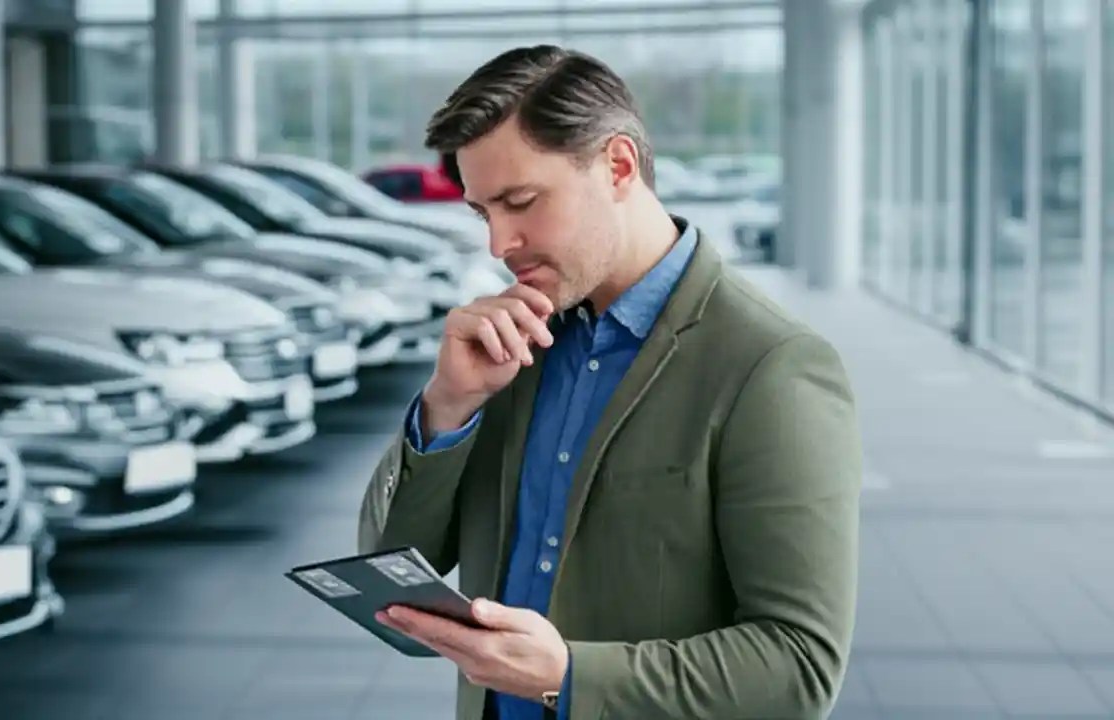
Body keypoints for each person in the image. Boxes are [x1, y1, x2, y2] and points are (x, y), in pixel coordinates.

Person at [358, 44, 862, 720]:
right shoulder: (515, 343)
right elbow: (388, 568)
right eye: (483, 213)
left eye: (520, 202)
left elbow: (799, 667)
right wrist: (448, 405)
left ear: (618, 165)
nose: (499, 244)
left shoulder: (771, 365)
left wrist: (568, 678)